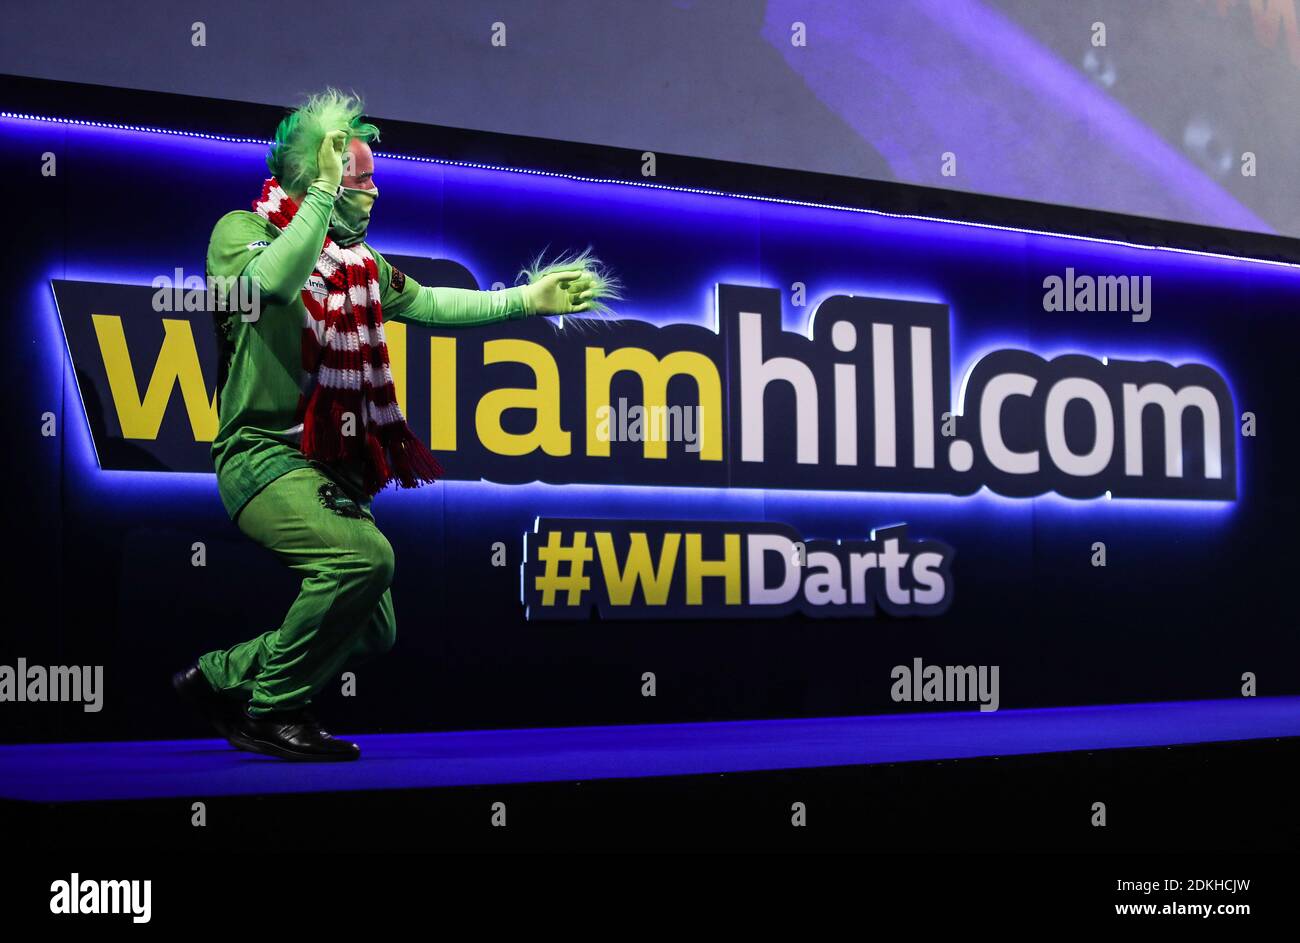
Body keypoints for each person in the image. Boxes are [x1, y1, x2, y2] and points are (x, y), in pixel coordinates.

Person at [171, 89, 615, 761]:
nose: (374, 192)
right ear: (317, 178)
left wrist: (528, 297)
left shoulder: (361, 266)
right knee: (364, 559)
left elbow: (433, 300)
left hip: (326, 466)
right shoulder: (241, 232)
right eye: (360, 180)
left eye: (373, 179)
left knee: (371, 627)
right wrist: (322, 194)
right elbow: (270, 286)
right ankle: (272, 709)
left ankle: (220, 676)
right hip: (259, 456)